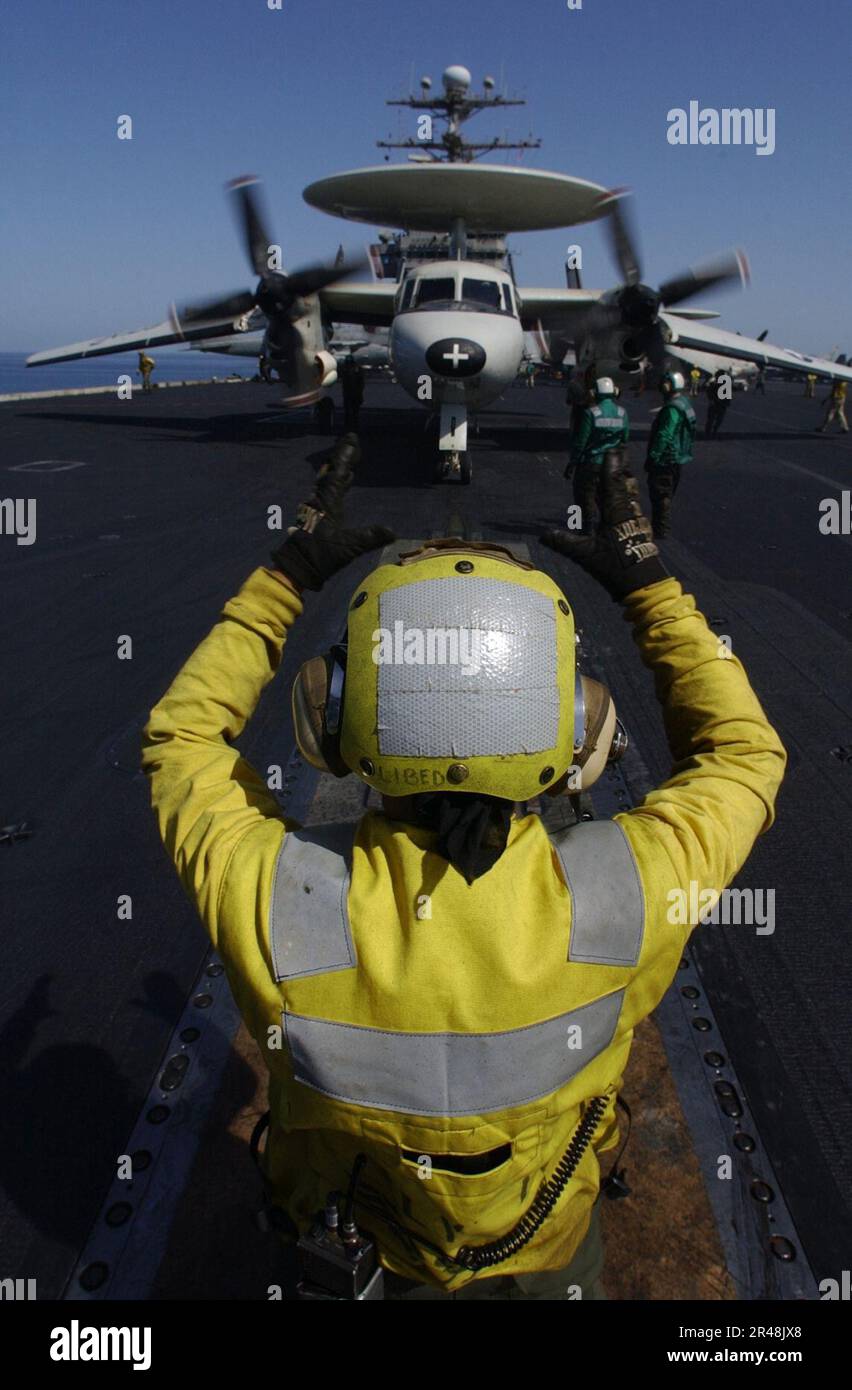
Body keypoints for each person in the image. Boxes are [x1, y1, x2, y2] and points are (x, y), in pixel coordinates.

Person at [141, 441, 785, 1300]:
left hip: (353, 1252)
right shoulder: (630, 895)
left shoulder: (277, 905)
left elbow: (183, 741)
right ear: (580, 731)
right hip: (549, 1252)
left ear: (330, 716)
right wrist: (649, 587)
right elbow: (745, 756)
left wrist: (284, 578)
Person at [565, 376, 629, 532]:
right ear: (614, 392)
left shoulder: (590, 413)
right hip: (612, 464)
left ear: (595, 393)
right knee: (607, 497)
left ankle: (586, 529)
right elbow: (624, 438)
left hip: (592, 462)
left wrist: (572, 463)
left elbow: (581, 441)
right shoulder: (622, 413)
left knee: (585, 495)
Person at [645, 370, 696, 538]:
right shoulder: (685, 403)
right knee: (667, 492)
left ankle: (660, 529)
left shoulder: (672, 409)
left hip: (666, 458)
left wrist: (653, 455)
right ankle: (661, 526)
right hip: (678, 457)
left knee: (661, 495)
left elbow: (665, 434)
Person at [340, 356, 365, 429]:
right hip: (352, 394)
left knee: (351, 412)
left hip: (352, 394)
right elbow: (361, 383)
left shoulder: (346, 370)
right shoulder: (355, 370)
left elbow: (361, 383)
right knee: (352, 412)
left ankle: (350, 426)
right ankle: (352, 426)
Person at [705, 369, 732, 438]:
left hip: (718, 404)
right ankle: (711, 432)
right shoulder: (718, 384)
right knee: (716, 420)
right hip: (718, 404)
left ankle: (710, 432)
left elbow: (709, 393)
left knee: (714, 419)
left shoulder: (715, 384)